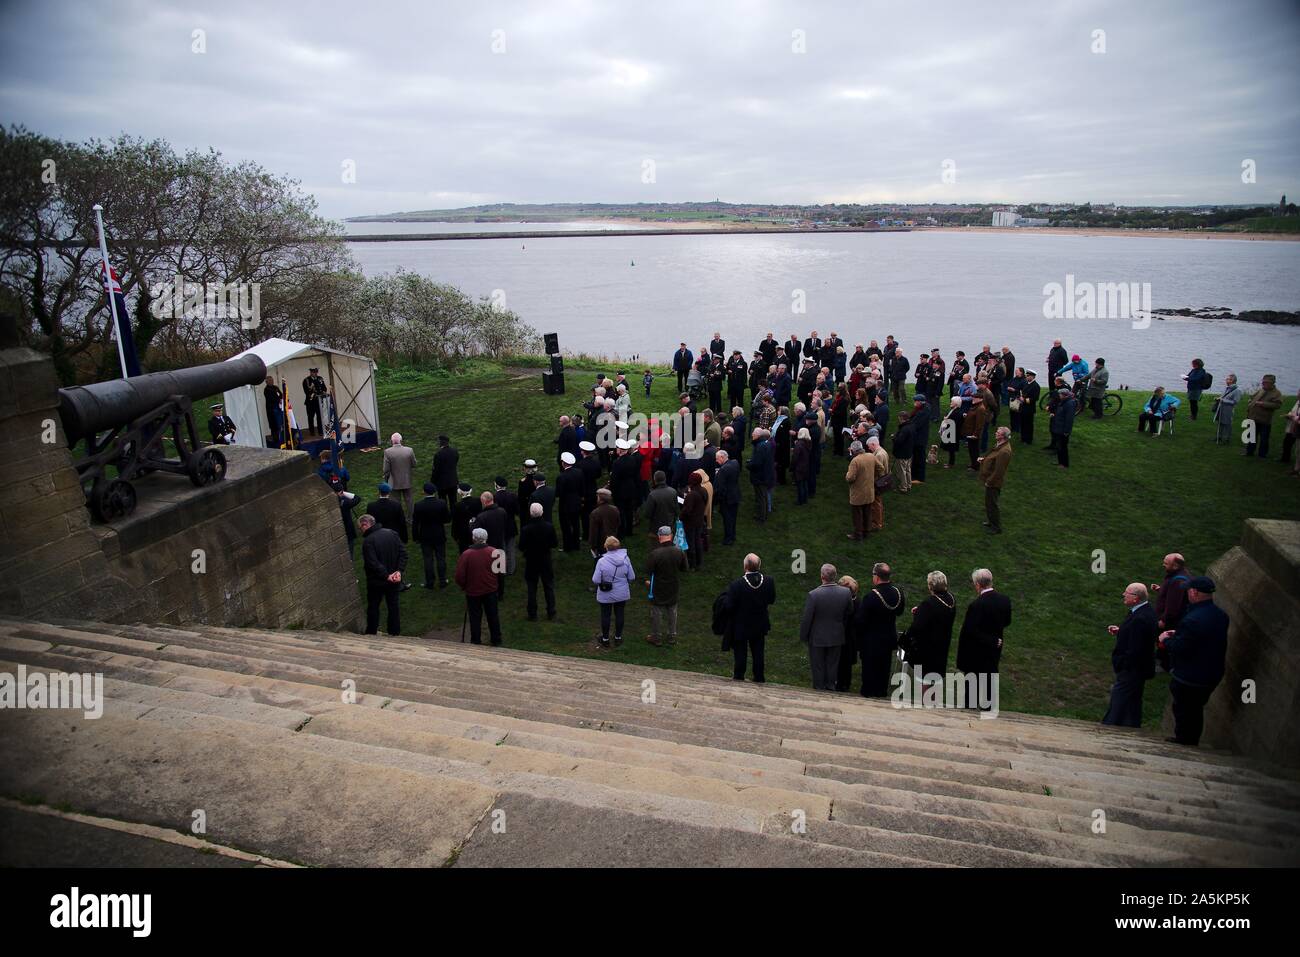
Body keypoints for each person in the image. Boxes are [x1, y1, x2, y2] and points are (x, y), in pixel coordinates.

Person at [1159, 576, 1229, 746]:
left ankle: (1184, 740)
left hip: (1190, 675)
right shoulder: (1221, 616)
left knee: (1184, 709)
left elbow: (1180, 648)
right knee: (1196, 709)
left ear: (1194, 592)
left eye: (1189, 590)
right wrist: (1182, 634)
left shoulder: (1192, 619)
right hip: (1211, 673)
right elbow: (1204, 638)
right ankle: (1191, 739)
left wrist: (1165, 639)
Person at [1101, 583, 1159, 728]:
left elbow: (1136, 648)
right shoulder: (1142, 611)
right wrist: (1121, 632)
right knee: (1132, 701)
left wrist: (1122, 663)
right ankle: (1131, 726)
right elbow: (1138, 636)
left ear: (1135, 598)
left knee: (1120, 699)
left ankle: (1109, 727)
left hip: (1132, 669)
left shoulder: (1140, 618)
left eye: (1126, 593)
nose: (1123, 595)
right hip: (1137, 668)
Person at [955, 568, 1011, 711]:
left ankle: (970, 709)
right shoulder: (1005, 601)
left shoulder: (976, 605)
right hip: (994, 649)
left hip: (976, 649)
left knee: (972, 683)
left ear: (978, 585)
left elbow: (970, 630)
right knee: (990, 679)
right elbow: (1007, 621)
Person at [800, 564, 853, 691]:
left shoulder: (814, 594)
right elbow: (850, 611)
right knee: (833, 664)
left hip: (817, 636)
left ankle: (819, 688)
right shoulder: (845, 593)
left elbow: (807, 618)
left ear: (822, 576)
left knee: (818, 665)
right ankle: (830, 686)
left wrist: (803, 635)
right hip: (836, 634)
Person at [900, 571, 957, 690]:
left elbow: (917, 627)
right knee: (935, 678)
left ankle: (924, 706)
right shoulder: (951, 599)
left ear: (930, 586)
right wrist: (921, 611)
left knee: (925, 678)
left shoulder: (929, 603)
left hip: (928, 646)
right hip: (942, 644)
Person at [855, 562, 906, 697]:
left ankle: (868, 691)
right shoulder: (898, 593)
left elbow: (861, 620)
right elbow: (899, 611)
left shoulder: (871, 596)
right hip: (888, 636)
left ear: (876, 576)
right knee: (884, 666)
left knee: (869, 667)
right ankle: (881, 691)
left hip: (871, 639)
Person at [727, 553, 776, 682]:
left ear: (745, 566)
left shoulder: (737, 585)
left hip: (741, 623)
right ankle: (759, 676)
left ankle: (739, 675)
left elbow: (729, 605)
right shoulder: (769, 582)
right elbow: (771, 599)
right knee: (758, 651)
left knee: (740, 652)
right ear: (759, 566)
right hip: (760, 622)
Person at [359, 514, 406, 636]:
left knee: (374, 607)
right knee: (393, 606)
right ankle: (394, 632)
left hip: (376, 581)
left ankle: (371, 631)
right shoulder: (392, 533)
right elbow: (403, 554)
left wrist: (386, 575)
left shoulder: (368, 541)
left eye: (360, 528)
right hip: (394, 579)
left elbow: (372, 563)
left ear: (365, 525)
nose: (360, 531)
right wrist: (399, 571)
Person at [456, 527, 503, 645]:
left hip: (473, 591)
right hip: (491, 590)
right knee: (493, 615)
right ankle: (496, 639)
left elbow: (459, 576)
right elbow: (501, 572)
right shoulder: (496, 552)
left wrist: (464, 586)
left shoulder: (466, 554)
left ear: (473, 539)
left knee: (475, 617)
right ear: (486, 538)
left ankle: (475, 640)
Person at [644, 524, 688, 646]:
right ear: (671, 536)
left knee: (656, 612)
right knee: (672, 611)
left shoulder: (655, 554)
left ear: (659, 536)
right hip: (673, 585)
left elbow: (648, 570)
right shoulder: (679, 552)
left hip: (658, 586)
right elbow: (685, 568)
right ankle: (672, 636)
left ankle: (656, 637)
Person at [518, 501, 558, 621]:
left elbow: (521, 546)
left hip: (531, 560)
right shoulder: (549, 527)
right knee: (548, 586)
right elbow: (554, 544)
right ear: (542, 513)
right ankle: (551, 611)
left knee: (532, 588)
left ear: (530, 513)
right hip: (545, 559)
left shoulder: (526, 529)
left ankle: (532, 614)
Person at [592, 535, 635, 649]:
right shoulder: (626, 559)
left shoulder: (601, 561)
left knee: (605, 615)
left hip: (606, 593)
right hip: (621, 592)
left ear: (606, 547)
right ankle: (618, 638)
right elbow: (632, 577)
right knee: (620, 614)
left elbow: (595, 580)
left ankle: (605, 639)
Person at [411, 482, 450, 588]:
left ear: (424, 492)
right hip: (439, 534)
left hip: (425, 535)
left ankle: (430, 582)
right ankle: (443, 580)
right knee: (441, 558)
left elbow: (415, 523)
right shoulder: (441, 503)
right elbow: (447, 519)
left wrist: (415, 537)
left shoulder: (419, 505)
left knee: (428, 559)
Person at [978, 427, 1013, 534]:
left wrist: (989, 481)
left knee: (992, 504)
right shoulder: (999, 444)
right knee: (988, 503)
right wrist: (984, 460)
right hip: (990, 480)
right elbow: (992, 458)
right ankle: (991, 521)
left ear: (1003, 436)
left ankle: (996, 527)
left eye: (998, 433)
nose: (995, 433)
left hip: (993, 482)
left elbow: (999, 471)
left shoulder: (1004, 451)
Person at [1244, 374, 1283, 458]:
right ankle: (1249, 452)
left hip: (1264, 420)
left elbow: (1277, 405)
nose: (1263, 384)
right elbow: (1253, 397)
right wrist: (1251, 400)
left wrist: (1263, 404)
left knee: (1264, 438)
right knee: (1251, 436)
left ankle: (1262, 454)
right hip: (1253, 417)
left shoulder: (1276, 393)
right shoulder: (1261, 390)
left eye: (1265, 382)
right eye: (1263, 382)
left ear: (1271, 383)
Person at [844, 440, 875, 540]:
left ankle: (858, 534)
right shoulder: (871, 456)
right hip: (869, 491)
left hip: (858, 492)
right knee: (867, 512)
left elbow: (850, 478)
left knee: (857, 514)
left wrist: (847, 475)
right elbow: (881, 468)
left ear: (853, 450)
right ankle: (867, 531)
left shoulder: (855, 461)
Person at [382, 432, 417, 518]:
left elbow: (386, 469)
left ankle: (399, 518)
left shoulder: (387, 452)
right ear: (401, 440)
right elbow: (414, 464)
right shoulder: (409, 450)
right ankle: (411, 518)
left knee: (396, 502)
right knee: (409, 501)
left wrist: (386, 478)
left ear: (391, 441)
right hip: (407, 480)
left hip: (394, 481)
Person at [328, 474, 361, 562]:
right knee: (350, 550)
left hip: (336, 530)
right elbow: (357, 498)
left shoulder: (330, 502)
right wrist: (344, 493)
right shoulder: (345, 503)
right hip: (347, 529)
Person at [555, 452, 584, 551]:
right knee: (576, 524)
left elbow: (558, 493)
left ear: (563, 463)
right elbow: (581, 488)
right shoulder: (579, 472)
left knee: (566, 526)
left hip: (565, 504)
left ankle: (568, 547)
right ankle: (576, 545)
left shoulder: (561, 477)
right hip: (576, 501)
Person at [680, 472, 707, 570]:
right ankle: (699, 562)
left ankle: (692, 564)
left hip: (690, 522)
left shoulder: (692, 495)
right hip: (699, 520)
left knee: (691, 543)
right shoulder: (703, 490)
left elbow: (687, 510)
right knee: (698, 541)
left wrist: (680, 516)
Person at [713, 449, 741, 545]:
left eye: (717, 459)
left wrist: (715, 500)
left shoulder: (723, 470)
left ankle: (728, 539)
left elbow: (719, 488)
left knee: (727, 519)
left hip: (727, 499)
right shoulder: (735, 463)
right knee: (733, 518)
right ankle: (732, 535)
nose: (716, 461)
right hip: (735, 495)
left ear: (722, 457)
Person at [747, 428, 775, 522]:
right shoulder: (766, 444)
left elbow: (757, 463)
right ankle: (764, 514)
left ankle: (761, 517)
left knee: (761, 497)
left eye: (753, 434)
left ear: (758, 435)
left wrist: (749, 465)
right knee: (763, 497)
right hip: (766, 474)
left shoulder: (760, 446)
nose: (752, 436)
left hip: (760, 476)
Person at [588, 488, 621, 558]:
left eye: (597, 497)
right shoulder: (615, 509)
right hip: (613, 540)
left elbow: (593, 532)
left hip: (601, 544)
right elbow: (618, 523)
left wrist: (593, 546)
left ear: (601, 499)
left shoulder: (595, 513)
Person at [866, 436, 889, 531]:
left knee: (876, 503)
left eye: (869, 446)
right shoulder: (882, 451)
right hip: (882, 480)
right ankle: (875, 521)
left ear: (873, 444)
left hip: (878, 482)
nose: (868, 448)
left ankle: (877, 524)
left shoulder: (878, 455)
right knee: (876, 502)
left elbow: (878, 470)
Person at [1050, 388, 1077, 468]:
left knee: (1063, 447)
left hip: (1063, 430)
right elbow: (1060, 413)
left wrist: (1066, 431)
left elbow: (1069, 419)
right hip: (1059, 428)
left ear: (1064, 395)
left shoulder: (1069, 404)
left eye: (1060, 394)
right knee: (1059, 446)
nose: (1059, 396)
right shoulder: (1063, 402)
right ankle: (1060, 462)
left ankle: (1064, 464)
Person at [431, 435, 460, 509]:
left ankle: (445, 516)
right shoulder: (454, 452)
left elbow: (436, 470)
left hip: (442, 483)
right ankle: (454, 515)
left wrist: (432, 481)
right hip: (453, 481)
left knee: (442, 501)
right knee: (453, 500)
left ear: (441, 442)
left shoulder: (438, 454)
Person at [451, 482, 481, 553]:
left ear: (460, 492)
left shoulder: (457, 505)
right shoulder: (477, 501)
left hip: (463, 533)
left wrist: (454, 535)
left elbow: (455, 521)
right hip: (476, 530)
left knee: (464, 553)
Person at [1212, 374, 1241, 445]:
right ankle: (1219, 436)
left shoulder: (1237, 391)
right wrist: (1219, 398)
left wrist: (1223, 400)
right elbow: (1223, 396)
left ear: (1232, 381)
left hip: (1228, 410)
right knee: (1220, 423)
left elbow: (1235, 402)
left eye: (1228, 379)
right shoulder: (1227, 388)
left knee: (1227, 424)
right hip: (1221, 408)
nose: (1226, 380)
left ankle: (1227, 439)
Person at [301, 366, 328, 435]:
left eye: (316, 372)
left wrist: (323, 392)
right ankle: (312, 432)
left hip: (319, 401)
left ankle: (320, 431)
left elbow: (324, 388)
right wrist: (314, 393)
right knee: (310, 417)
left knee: (319, 417)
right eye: (314, 372)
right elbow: (307, 391)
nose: (316, 373)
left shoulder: (320, 378)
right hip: (310, 402)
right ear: (311, 372)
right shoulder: (306, 380)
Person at [1019, 370, 1040, 444]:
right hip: (1023, 407)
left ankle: (1028, 440)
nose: (1026, 377)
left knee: (1028, 424)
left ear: (1033, 376)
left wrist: (1024, 400)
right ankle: (1023, 437)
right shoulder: (1026, 383)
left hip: (1029, 408)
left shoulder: (1036, 386)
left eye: (1028, 376)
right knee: (1023, 423)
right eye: (1026, 376)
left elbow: (1035, 398)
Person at [791, 426, 812, 504]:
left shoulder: (799, 444)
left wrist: (792, 467)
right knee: (805, 483)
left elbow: (795, 457)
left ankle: (800, 500)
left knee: (800, 485)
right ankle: (805, 499)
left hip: (799, 467)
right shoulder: (809, 442)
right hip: (806, 465)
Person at [262, 376, 284, 445]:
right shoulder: (266, 390)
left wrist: (281, 399)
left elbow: (281, 394)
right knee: (274, 426)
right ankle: (276, 440)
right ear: (266, 382)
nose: (272, 381)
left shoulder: (276, 387)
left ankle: (282, 438)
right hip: (272, 410)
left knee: (281, 423)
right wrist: (278, 400)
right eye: (270, 380)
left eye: (272, 380)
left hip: (278, 409)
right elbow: (271, 399)